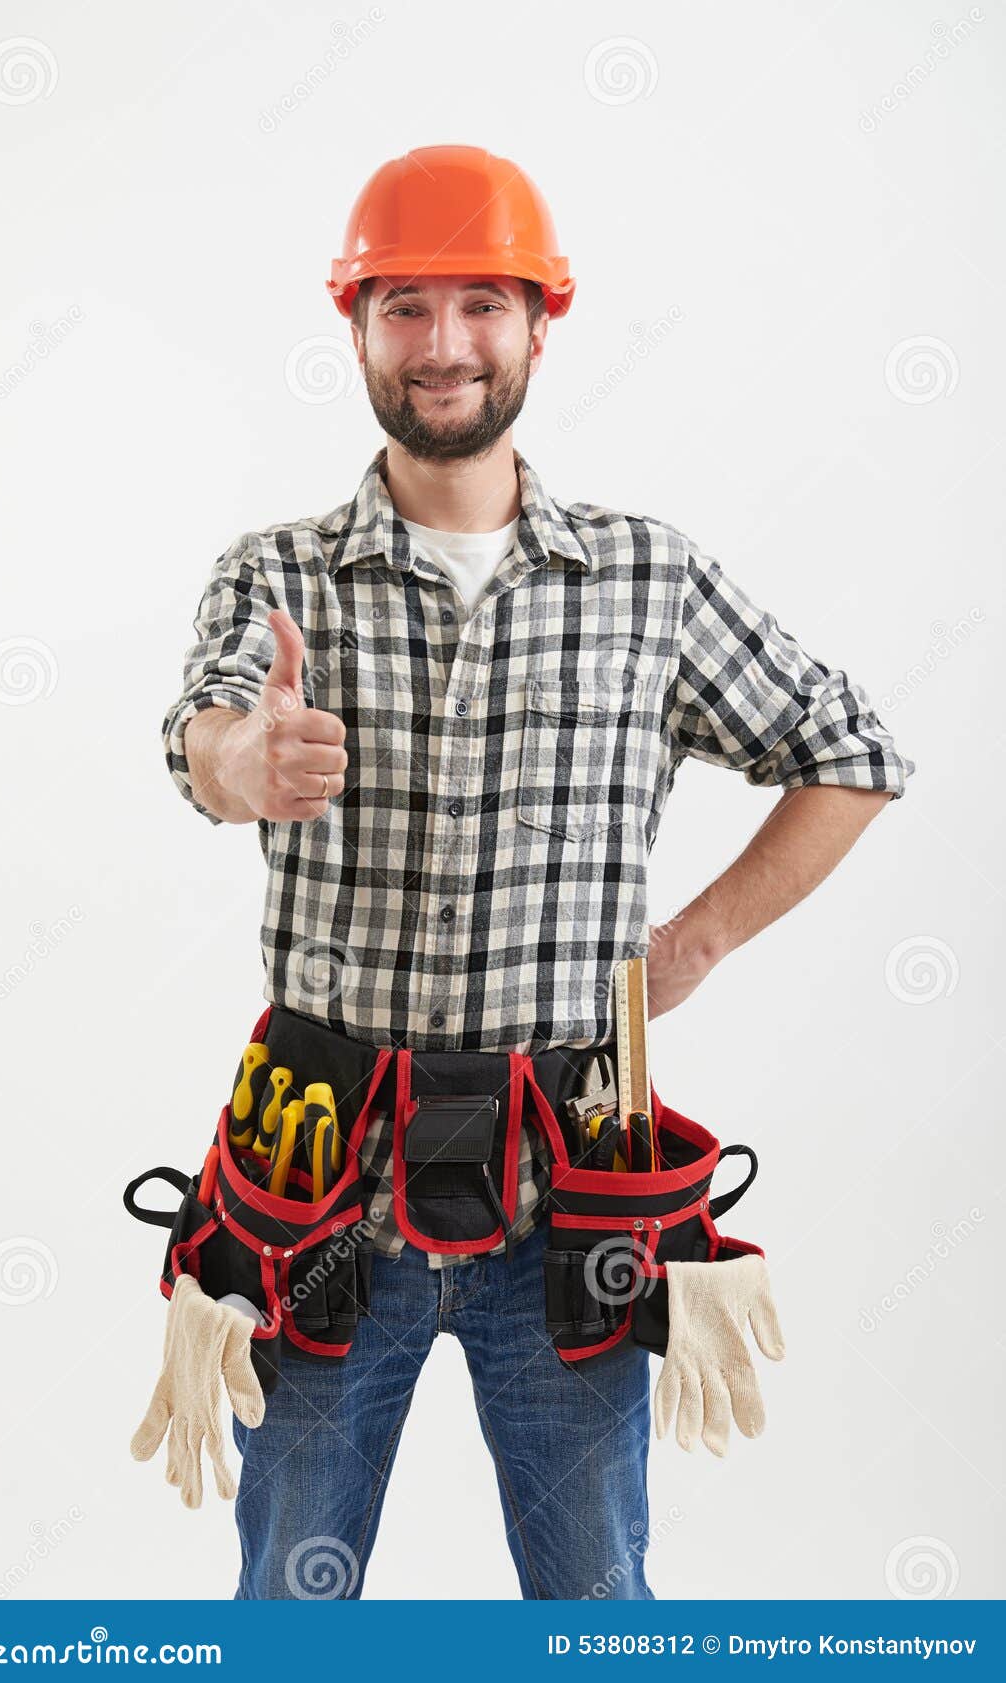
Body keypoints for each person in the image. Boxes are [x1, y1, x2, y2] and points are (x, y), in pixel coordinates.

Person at [159, 146, 914, 1600]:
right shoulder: (277, 575)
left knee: (595, 1610)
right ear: (356, 327)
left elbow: (854, 751)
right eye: (404, 305)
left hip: (570, 1193)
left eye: (481, 305)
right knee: (287, 1619)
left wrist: (696, 942)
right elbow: (202, 733)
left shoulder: (647, 579)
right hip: (324, 1195)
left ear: (540, 323)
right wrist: (242, 758)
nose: (442, 343)